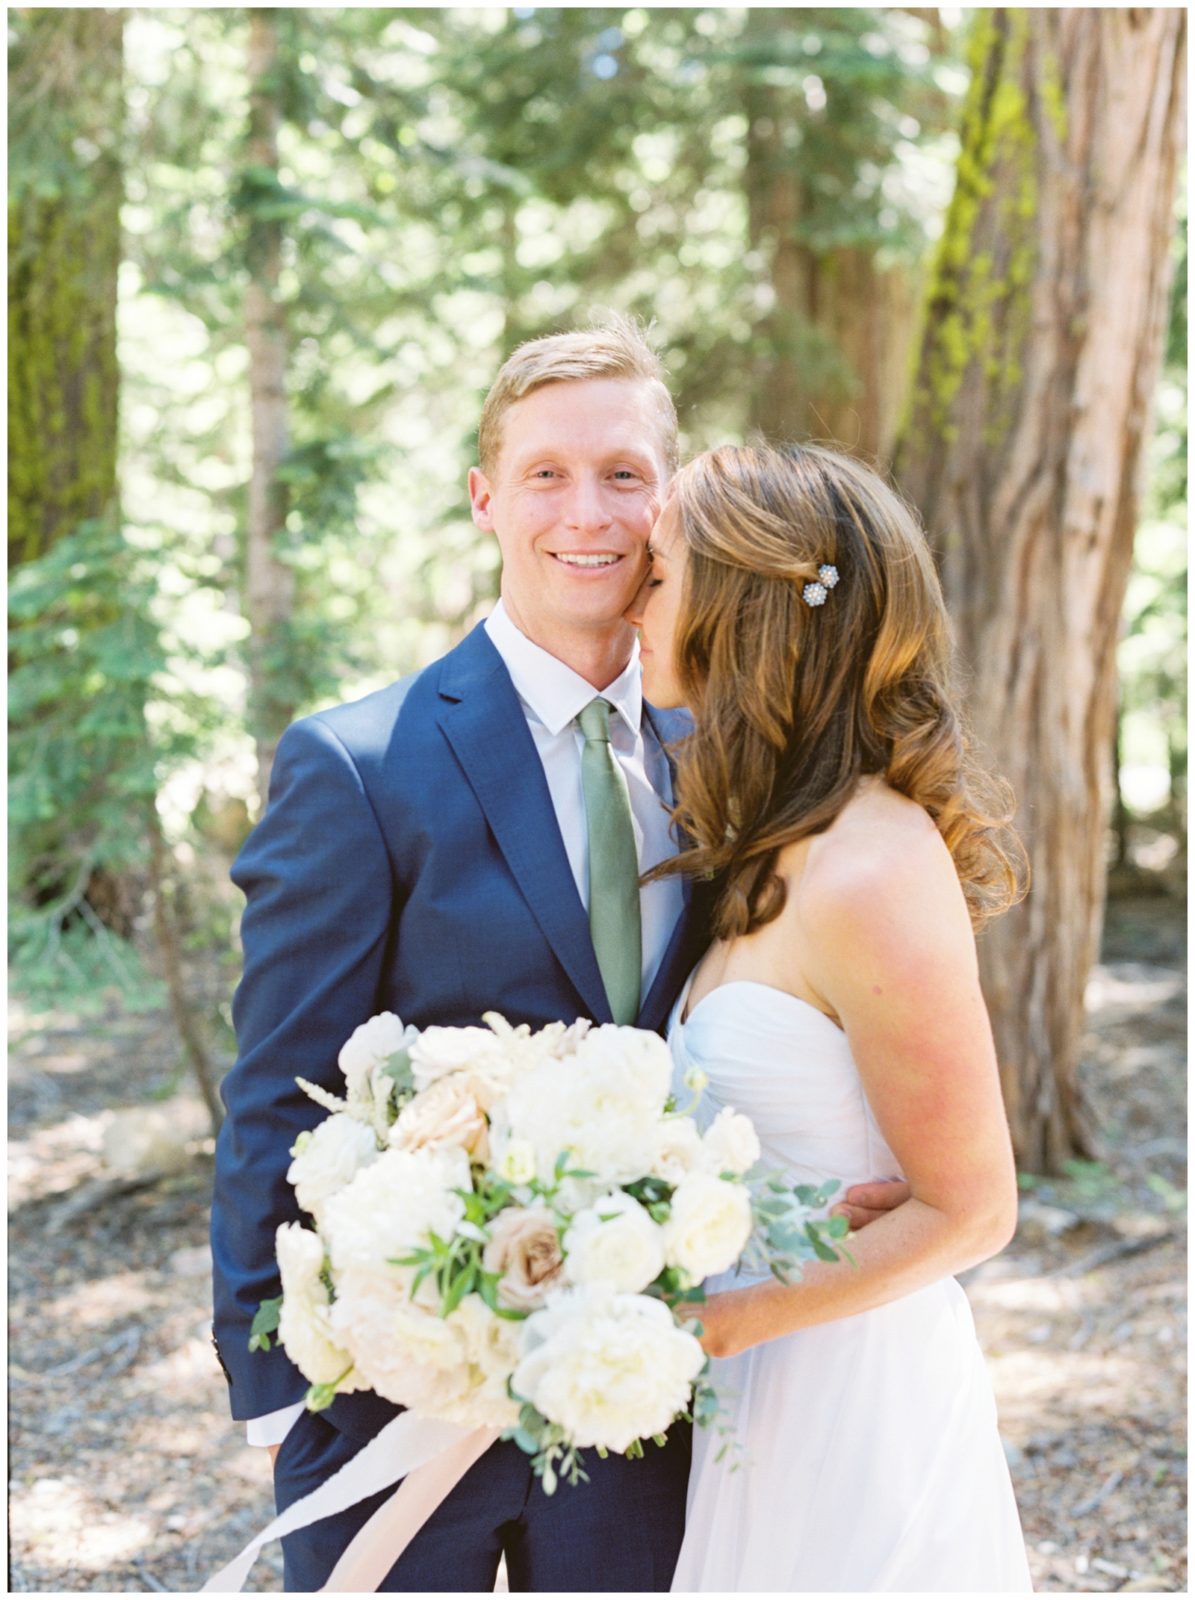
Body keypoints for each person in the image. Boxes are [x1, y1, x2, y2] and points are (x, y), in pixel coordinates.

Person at [209, 323, 904, 1593]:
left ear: (671, 498)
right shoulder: (357, 766)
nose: (588, 512)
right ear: (485, 498)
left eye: (625, 475)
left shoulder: (732, 764)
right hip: (400, 1401)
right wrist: (283, 1401)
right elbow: (273, 1092)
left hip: (652, 1401)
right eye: (545, 474)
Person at [626, 441, 1034, 1592]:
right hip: (766, 1376)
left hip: (852, 1395)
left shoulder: (870, 864)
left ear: (745, 607)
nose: (634, 597)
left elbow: (974, 1207)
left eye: (662, 572)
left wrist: (716, 1326)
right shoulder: (761, 843)